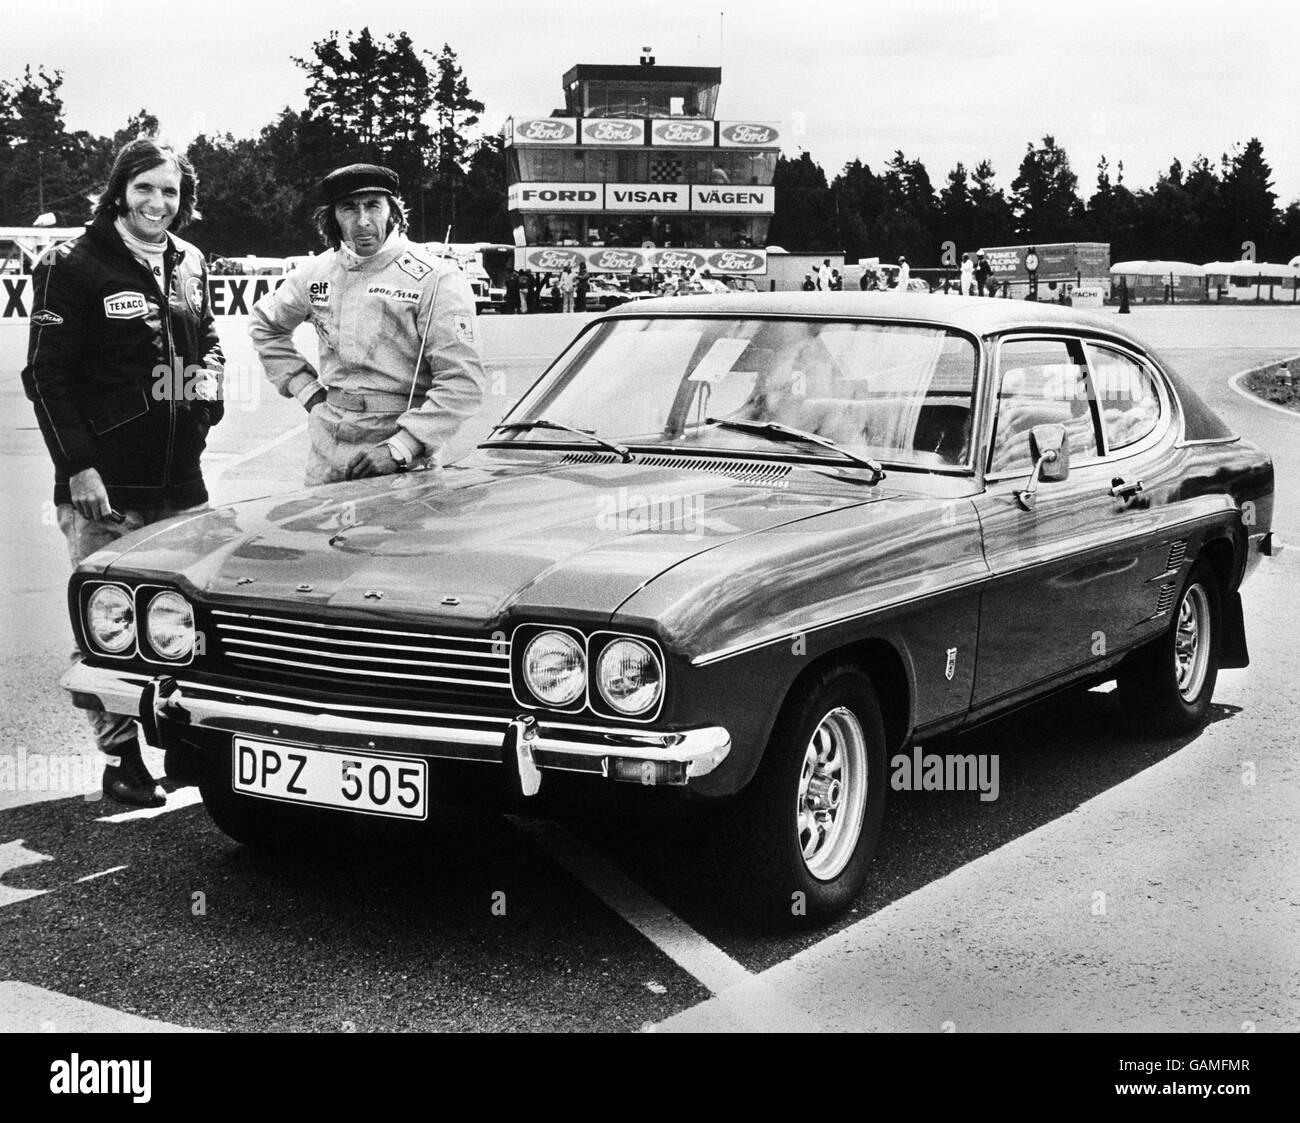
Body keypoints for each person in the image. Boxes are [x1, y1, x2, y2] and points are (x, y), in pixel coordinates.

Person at [22, 137, 223, 807]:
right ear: (119, 190)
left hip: (182, 482)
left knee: (184, 622)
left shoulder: (190, 261)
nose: (157, 203)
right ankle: (122, 756)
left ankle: (187, 740)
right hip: (104, 485)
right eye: (144, 188)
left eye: (169, 191)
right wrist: (78, 467)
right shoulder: (71, 262)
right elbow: (45, 374)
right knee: (111, 626)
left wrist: (209, 390)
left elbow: (210, 340)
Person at [250, 163, 484, 486]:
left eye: (373, 205)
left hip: (400, 461)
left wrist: (402, 447)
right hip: (327, 455)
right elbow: (264, 324)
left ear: (393, 212)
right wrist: (305, 390)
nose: (362, 221)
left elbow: (462, 382)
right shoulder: (315, 273)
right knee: (322, 537)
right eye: (348, 208)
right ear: (332, 217)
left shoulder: (435, 277)